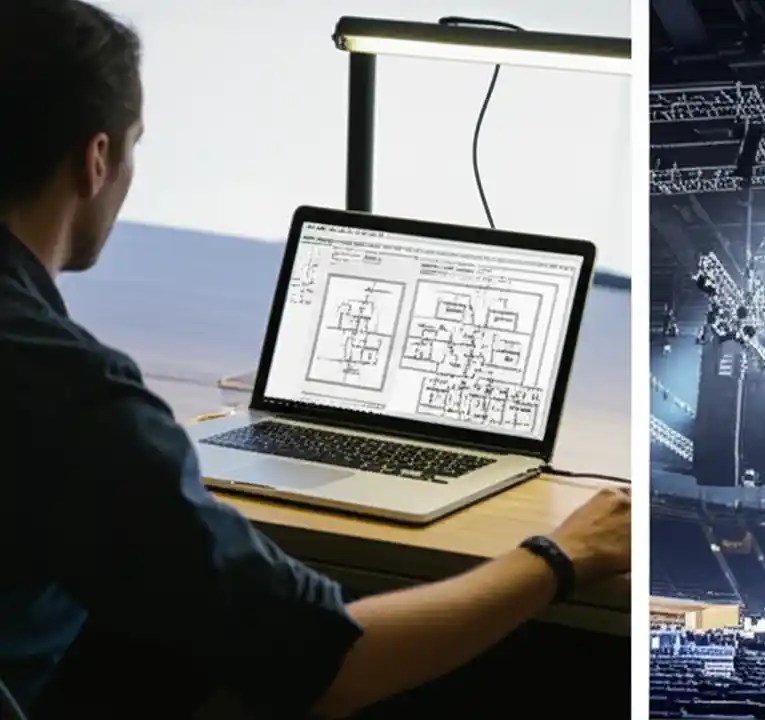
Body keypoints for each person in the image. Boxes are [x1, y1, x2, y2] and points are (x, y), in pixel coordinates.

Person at [0, 2, 631, 718]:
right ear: (98, 159)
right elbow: (332, 664)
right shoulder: (71, 397)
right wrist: (560, 554)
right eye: (136, 147)